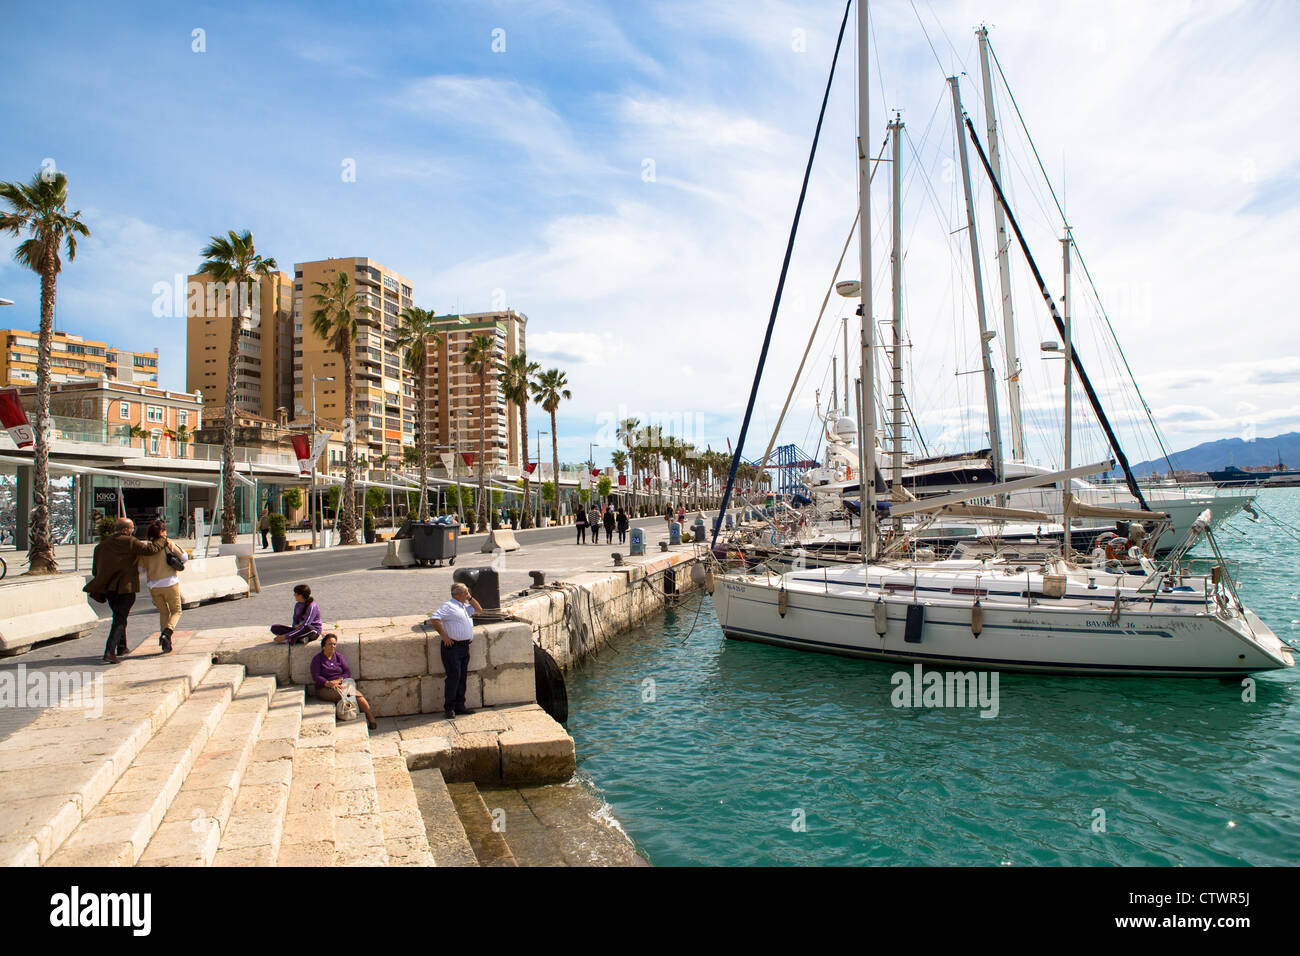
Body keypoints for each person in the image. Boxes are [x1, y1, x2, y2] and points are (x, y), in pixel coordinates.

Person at [84, 517, 166, 664]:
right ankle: (109, 651)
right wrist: (161, 539)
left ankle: (122, 647)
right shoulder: (130, 541)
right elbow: (150, 550)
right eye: (131, 528)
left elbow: (95, 570)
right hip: (124, 588)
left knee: (119, 615)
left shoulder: (101, 546)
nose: (133, 530)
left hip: (108, 589)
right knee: (119, 620)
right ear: (125, 530)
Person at [429, 582, 482, 719]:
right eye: (465, 593)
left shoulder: (463, 607)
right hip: (453, 648)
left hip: (464, 647)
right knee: (454, 677)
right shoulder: (449, 606)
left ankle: (460, 705)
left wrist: (470, 598)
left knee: (462, 677)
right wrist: (444, 635)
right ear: (458, 594)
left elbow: (478, 609)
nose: (467, 595)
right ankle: (449, 707)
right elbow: (434, 618)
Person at [139, 520, 186, 653]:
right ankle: (167, 633)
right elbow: (184, 557)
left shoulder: (146, 549)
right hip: (170, 582)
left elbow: (141, 570)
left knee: (164, 612)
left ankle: (166, 643)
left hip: (154, 585)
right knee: (176, 611)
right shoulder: (168, 543)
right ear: (161, 532)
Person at [311, 634, 376, 729]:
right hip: (324, 688)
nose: (332, 646)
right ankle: (357, 714)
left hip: (340, 684)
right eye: (330, 644)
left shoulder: (338, 656)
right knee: (350, 693)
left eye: (334, 644)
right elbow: (316, 676)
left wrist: (338, 680)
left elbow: (347, 672)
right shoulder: (317, 659)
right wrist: (328, 683)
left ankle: (371, 718)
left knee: (355, 696)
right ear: (324, 646)